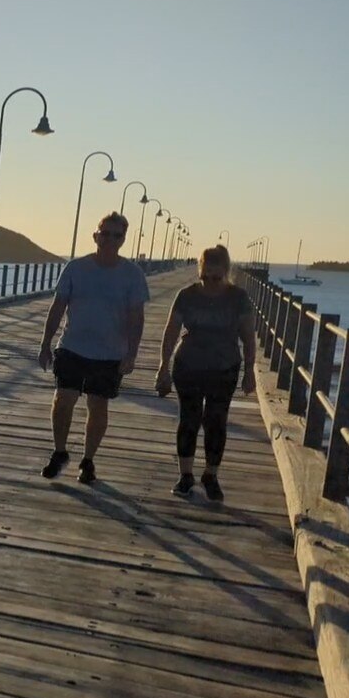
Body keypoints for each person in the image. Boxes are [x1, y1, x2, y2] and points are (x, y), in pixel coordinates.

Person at [37, 211, 149, 484]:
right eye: (106, 233)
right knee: (63, 399)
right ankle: (60, 451)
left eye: (117, 235)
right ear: (95, 235)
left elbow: (137, 318)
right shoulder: (75, 268)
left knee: (97, 406)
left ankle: (88, 460)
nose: (110, 239)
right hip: (73, 346)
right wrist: (45, 343)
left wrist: (132, 353)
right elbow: (58, 307)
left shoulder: (132, 274)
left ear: (123, 239)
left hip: (110, 352)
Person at [154, 244, 255, 501]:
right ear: (199, 271)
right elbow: (170, 332)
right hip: (188, 365)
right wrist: (163, 367)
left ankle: (211, 474)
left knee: (216, 421)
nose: (210, 282)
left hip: (225, 367)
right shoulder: (186, 295)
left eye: (216, 277)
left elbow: (248, 337)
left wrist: (250, 371)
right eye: (205, 277)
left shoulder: (238, 298)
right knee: (189, 419)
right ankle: (185, 475)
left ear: (226, 271)